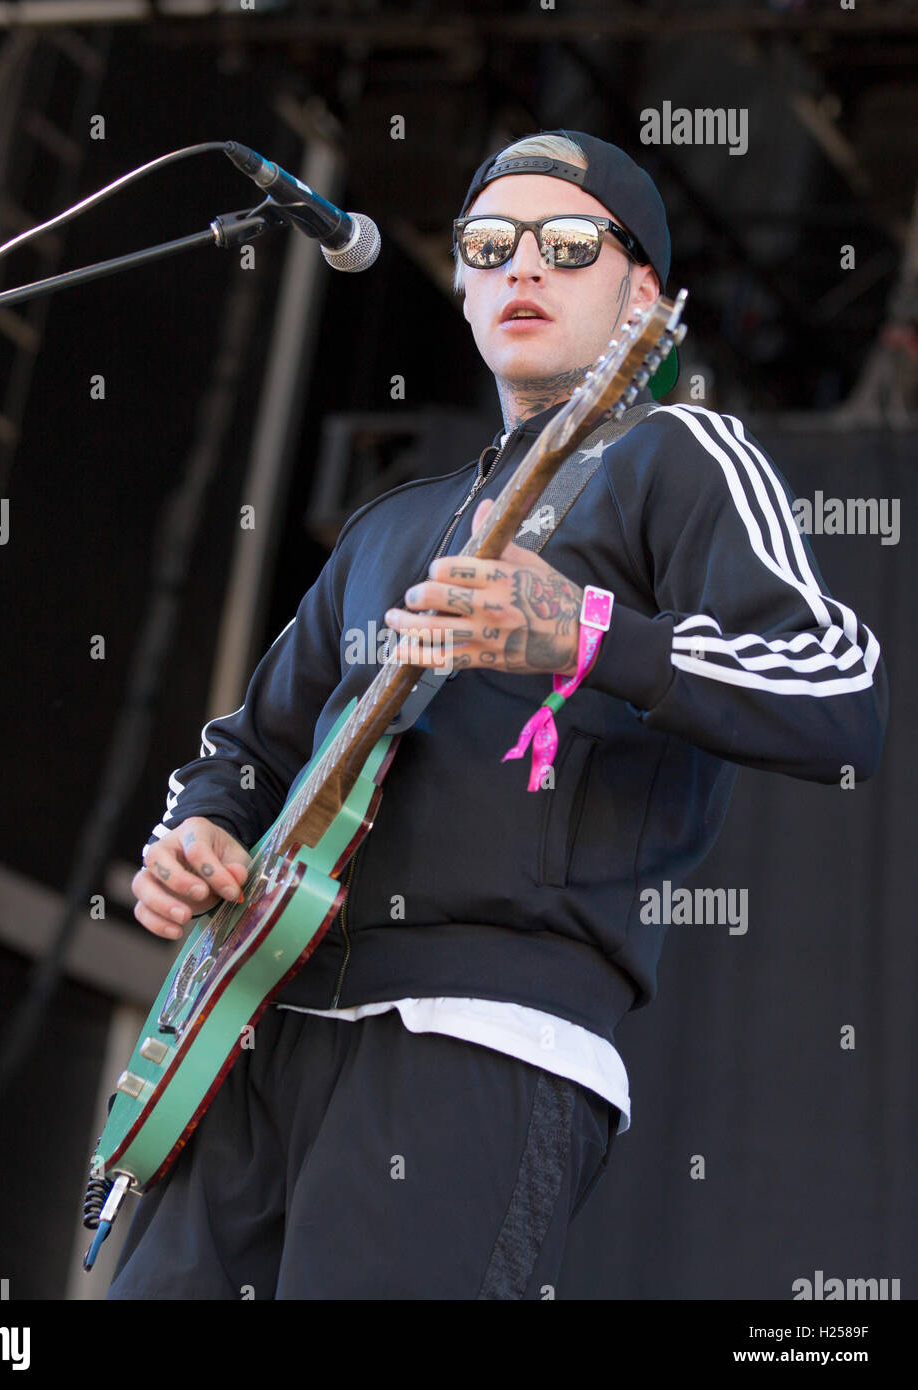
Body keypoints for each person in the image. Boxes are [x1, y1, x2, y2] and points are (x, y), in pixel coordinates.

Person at [107, 130, 888, 1300]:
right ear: (462, 285)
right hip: (256, 1028)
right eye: (489, 244)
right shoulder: (389, 526)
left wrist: (582, 633)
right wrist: (196, 837)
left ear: (645, 297)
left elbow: (838, 693)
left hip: (478, 1031)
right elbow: (247, 751)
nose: (524, 267)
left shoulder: (678, 455)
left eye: (569, 244)